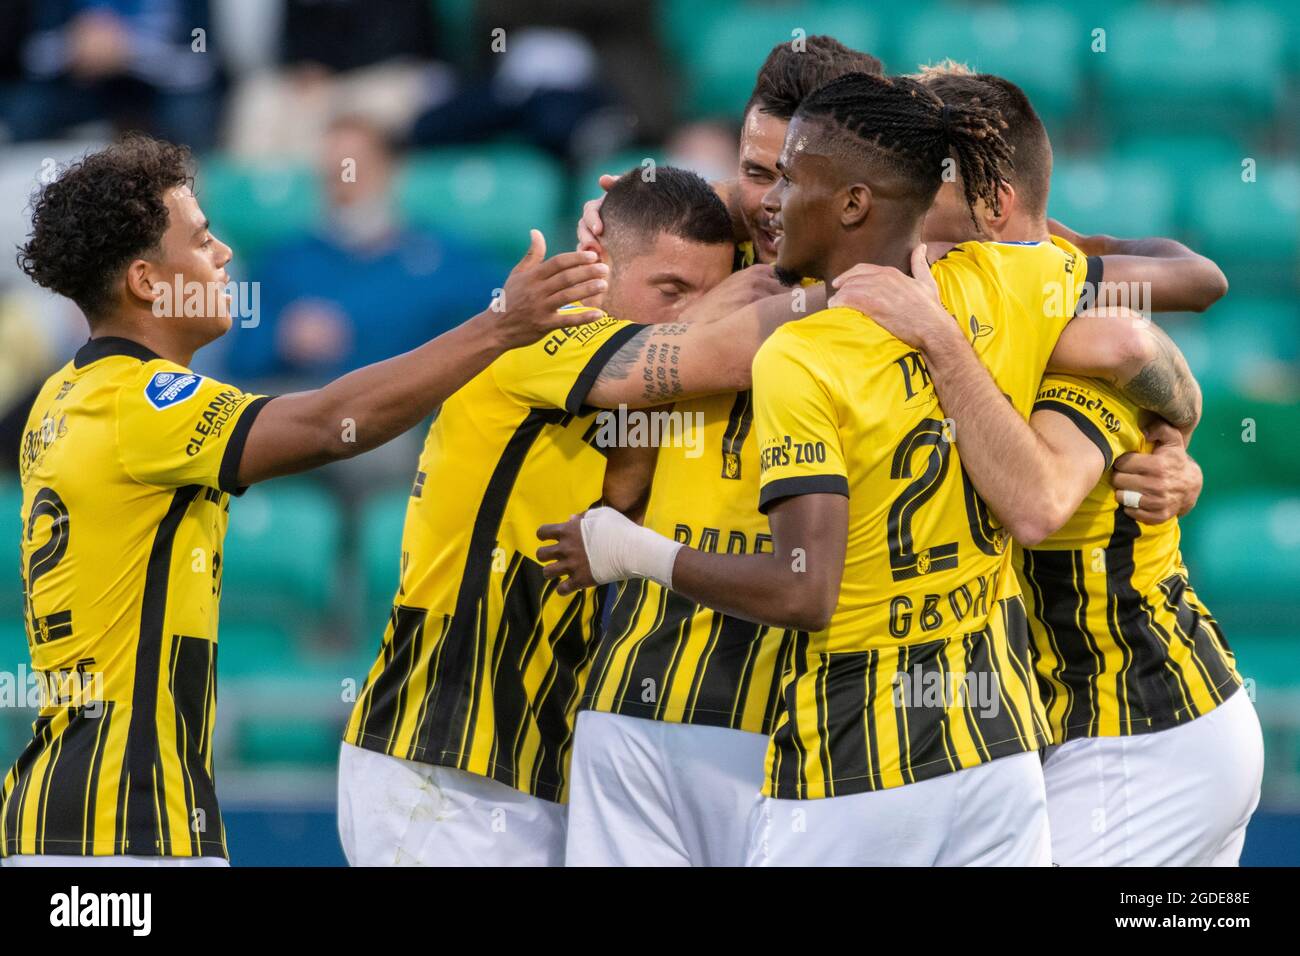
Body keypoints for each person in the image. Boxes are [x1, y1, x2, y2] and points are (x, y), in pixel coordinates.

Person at [538, 72, 1168, 866]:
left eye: (790, 178)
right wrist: (1176, 427)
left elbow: (805, 589)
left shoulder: (800, 355)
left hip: (855, 757)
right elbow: (1146, 327)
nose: (768, 202)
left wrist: (630, 554)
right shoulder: (1009, 282)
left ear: (853, 203)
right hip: (997, 747)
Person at [0, 134, 609, 866]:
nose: (225, 254)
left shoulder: (60, 398)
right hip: (120, 825)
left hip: (65, 813)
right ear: (146, 281)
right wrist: (502, 327)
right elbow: (329, 424)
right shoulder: (140, 404)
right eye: (200, 240)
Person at [833, 67, 1261, 865]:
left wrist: (1179, 423)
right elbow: (1172, 299)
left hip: (1135, 726)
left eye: (930, 174)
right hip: (1067, 734)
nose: (897, 192)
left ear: (992, 208)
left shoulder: (1043, 319)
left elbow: (1047, 487)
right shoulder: (1022, 290)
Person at [337, 166, 805, 867]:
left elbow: (632, 476)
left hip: (537, 766)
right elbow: (720, 352)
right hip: (441, 760)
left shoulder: (623, 412)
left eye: (706, 290)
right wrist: (869, 278)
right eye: (669, 290)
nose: (686, 308)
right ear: (595, 267)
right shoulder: (540, 341)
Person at [563, 36, 880, 868]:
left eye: (794, 177)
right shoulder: (695, 250)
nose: (770, 202)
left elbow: (1066, 279)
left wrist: (1164, 444)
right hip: (636, 700)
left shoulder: (917, 288)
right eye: (756, 171)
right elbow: (600, 406)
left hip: (811, 732)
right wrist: (632, 225)